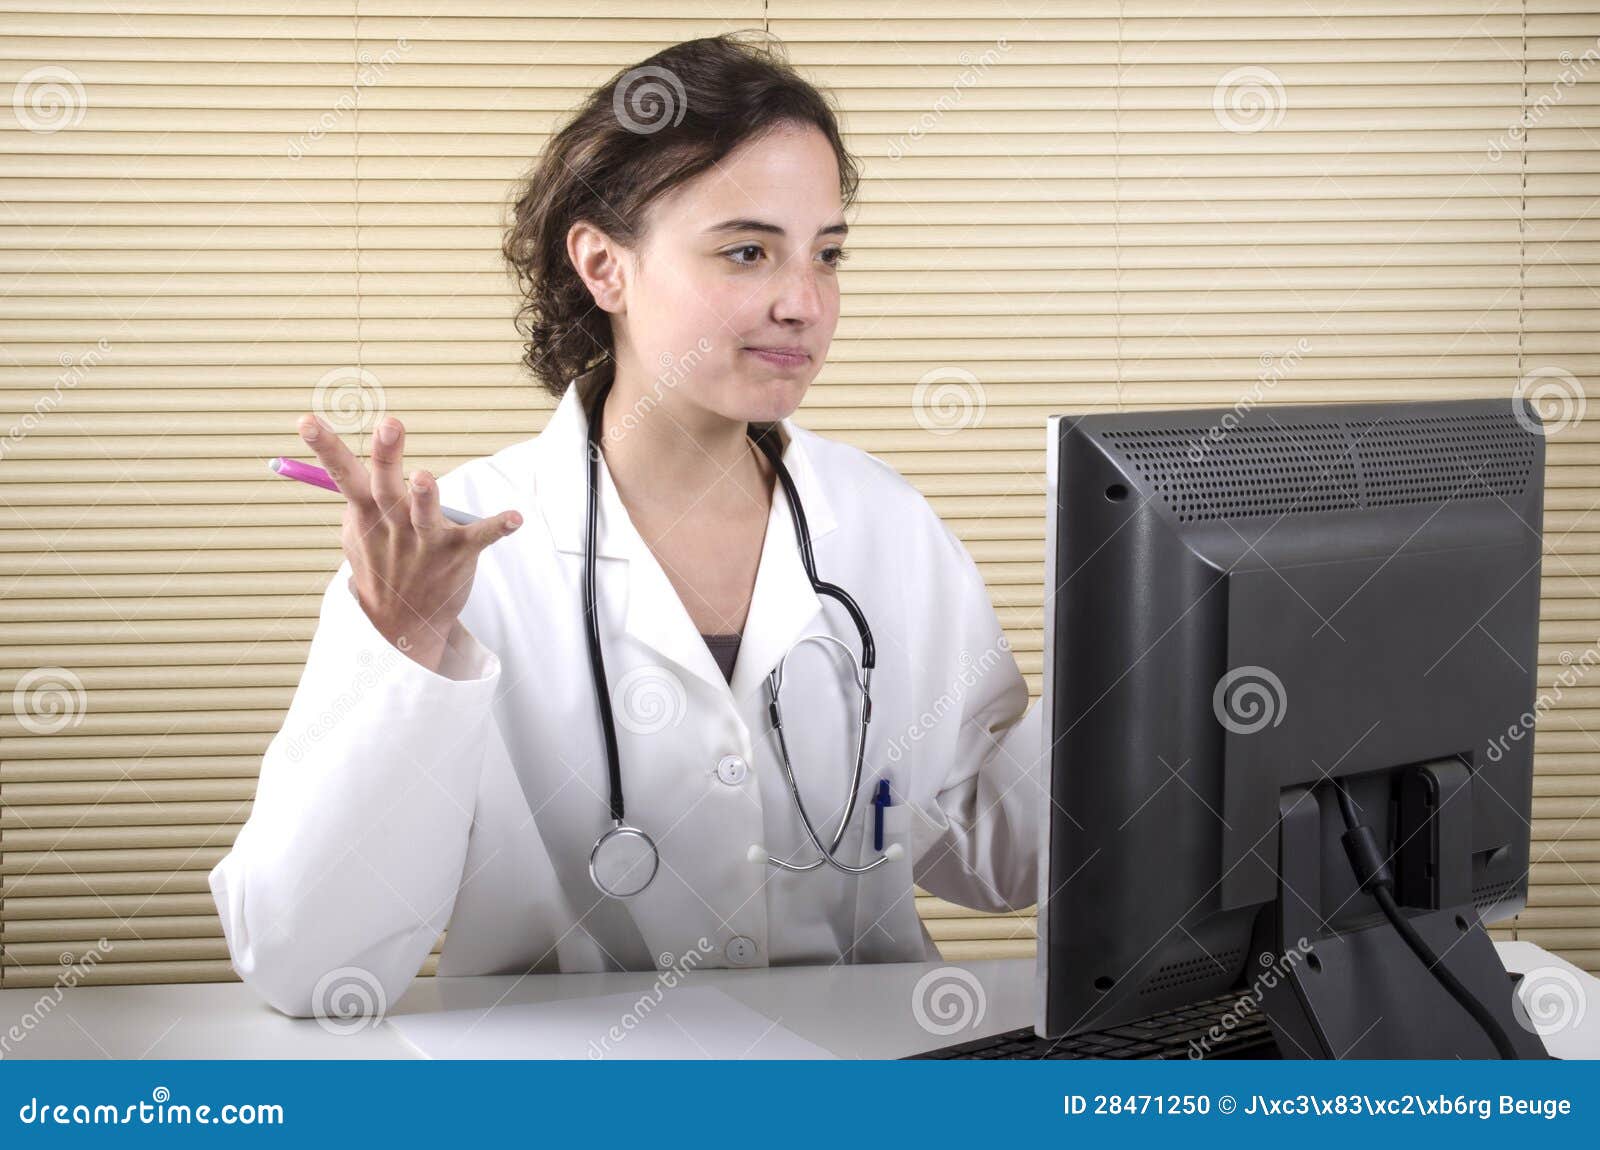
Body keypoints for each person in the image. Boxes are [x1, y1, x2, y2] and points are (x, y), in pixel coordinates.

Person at [210, 31, 1043, 1020]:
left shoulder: (887, 527)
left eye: (826, 253)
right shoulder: (450, 561)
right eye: (747, 250)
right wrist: (406, 648)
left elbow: (999, 855)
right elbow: (308, 966)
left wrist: (1157, 647)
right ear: (604, 266)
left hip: (861, 1078)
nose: (803, 303)